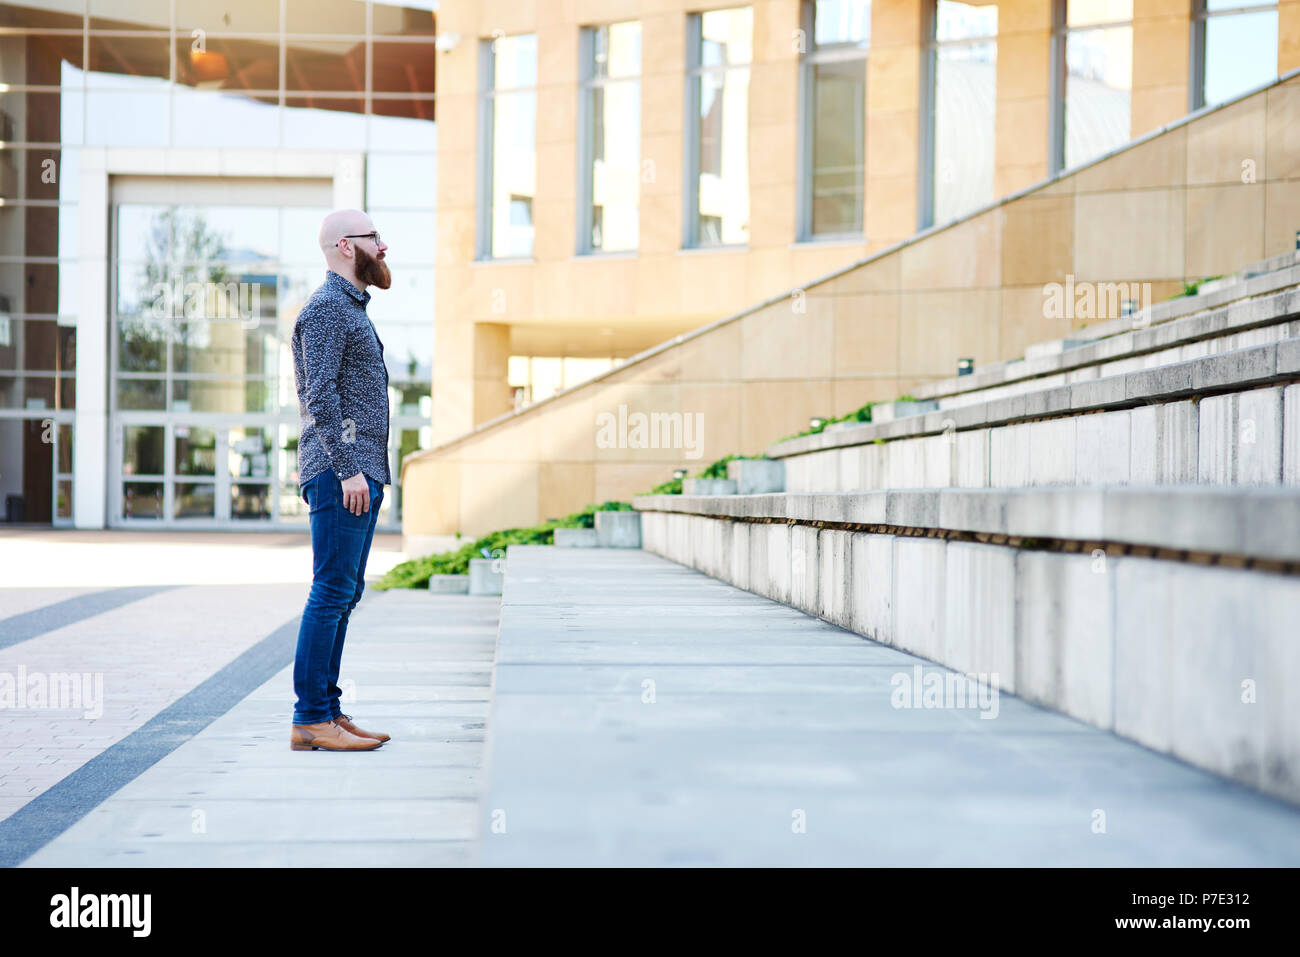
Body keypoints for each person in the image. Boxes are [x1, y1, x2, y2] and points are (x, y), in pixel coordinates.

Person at [288, 209, 394, 752]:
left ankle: (326, 712)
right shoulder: (329, 308)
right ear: (348, 247)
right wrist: (349, 467)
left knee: (344, 593)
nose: (385, 246)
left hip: (358, 473)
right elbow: (320, 397)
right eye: (376, 237)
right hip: (340, 474)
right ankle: (310, 717)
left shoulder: (349, 308)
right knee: (330, 591)